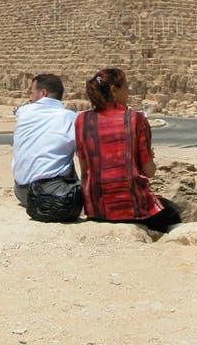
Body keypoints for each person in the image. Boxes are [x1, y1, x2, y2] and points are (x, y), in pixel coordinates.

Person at [75, 68, 180, 233]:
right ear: (114, 90)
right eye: (125, 87)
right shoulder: (136, 120)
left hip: (96, 209)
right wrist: (149, 158)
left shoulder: (82, 120)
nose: (129, 92)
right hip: (132, 209)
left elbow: (84, 170)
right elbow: (149, 171)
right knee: (173, 214)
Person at [12, 73, 77, 207]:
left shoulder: (23, 112)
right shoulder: (70, 118)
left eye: (31, 92)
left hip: (21, 191)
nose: (29, 97)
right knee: (68, 155)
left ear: (43, 93)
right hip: (52, 194)